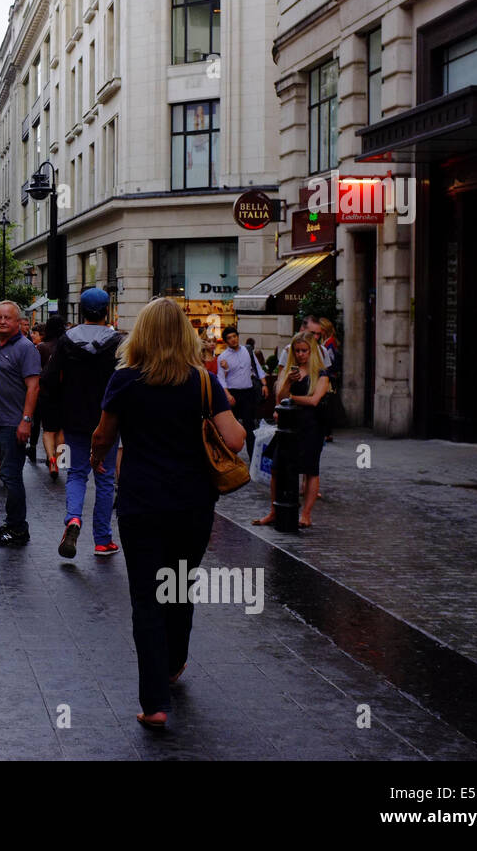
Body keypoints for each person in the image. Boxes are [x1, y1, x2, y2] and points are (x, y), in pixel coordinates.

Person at [90, 297, 245, 730]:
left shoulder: (124, 381)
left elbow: (104, 434)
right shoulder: (203, 382)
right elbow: (234, 441)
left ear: (141, 334)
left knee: (145, 597)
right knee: (178, 585)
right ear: (183, 335)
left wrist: (96, 455)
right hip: (193, 504)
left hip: (141, 503)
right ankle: (175, 662)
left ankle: (155, 702)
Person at [42, 288, 126, 558]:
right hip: (107, 420)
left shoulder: (67, 341)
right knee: (104, 480)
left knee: (76, 474)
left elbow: (49, 380)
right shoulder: (117, 343)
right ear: (106, 310)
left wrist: (57, 414)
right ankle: (102, 540)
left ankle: (73, 520)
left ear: (81, 310)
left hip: (74, 420)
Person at [0, 300, 41, 546]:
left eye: (8, 318)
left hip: (11, 423)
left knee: (11, 475)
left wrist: (26, 420)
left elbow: (33, 386)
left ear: (18, 322)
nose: (2, 321)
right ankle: (9, 524)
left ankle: (17, 529)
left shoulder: (26, 348)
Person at [253, 333, 332, 529]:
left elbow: (314, 401)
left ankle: (306, 514)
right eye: (297, 351)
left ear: (311, 351)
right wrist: (287, 382)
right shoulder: (289, 371)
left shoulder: (320, 374)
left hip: (311, 426)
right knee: (276, 468)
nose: (301, 355)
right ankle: (273, 511)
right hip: (288, 426)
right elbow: (279, 398)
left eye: (304, 351)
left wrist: (292, 397)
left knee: (310, 469)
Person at [216, 324, 268, 461]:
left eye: (234, 336)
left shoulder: (247, 351)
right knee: (231, 430)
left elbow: (257, 368)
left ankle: (253, 460)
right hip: (233, 394)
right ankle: (232, 460)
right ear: (226, 341)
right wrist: (227, 395)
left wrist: (264, 384)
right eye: (229, 338)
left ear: (238, 336)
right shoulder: (222, 357)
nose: (233, 339)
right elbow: (220, 378)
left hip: (248, 393)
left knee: (250, 428)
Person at [34, 314, 68, 480]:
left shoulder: (42, 347)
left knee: (48, 430)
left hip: (46, 394)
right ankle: (62, 461)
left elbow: (35, 371)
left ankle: (52, 460)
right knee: (62, 430)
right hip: (65, 394)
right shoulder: (68, 345)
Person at [319, 317, 341, 443]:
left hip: (329, 378)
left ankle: (327, 432)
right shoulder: (328, 342)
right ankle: (327, 431)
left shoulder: (330, 343)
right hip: (329, 377)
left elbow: (331, 362)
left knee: (327, 405)